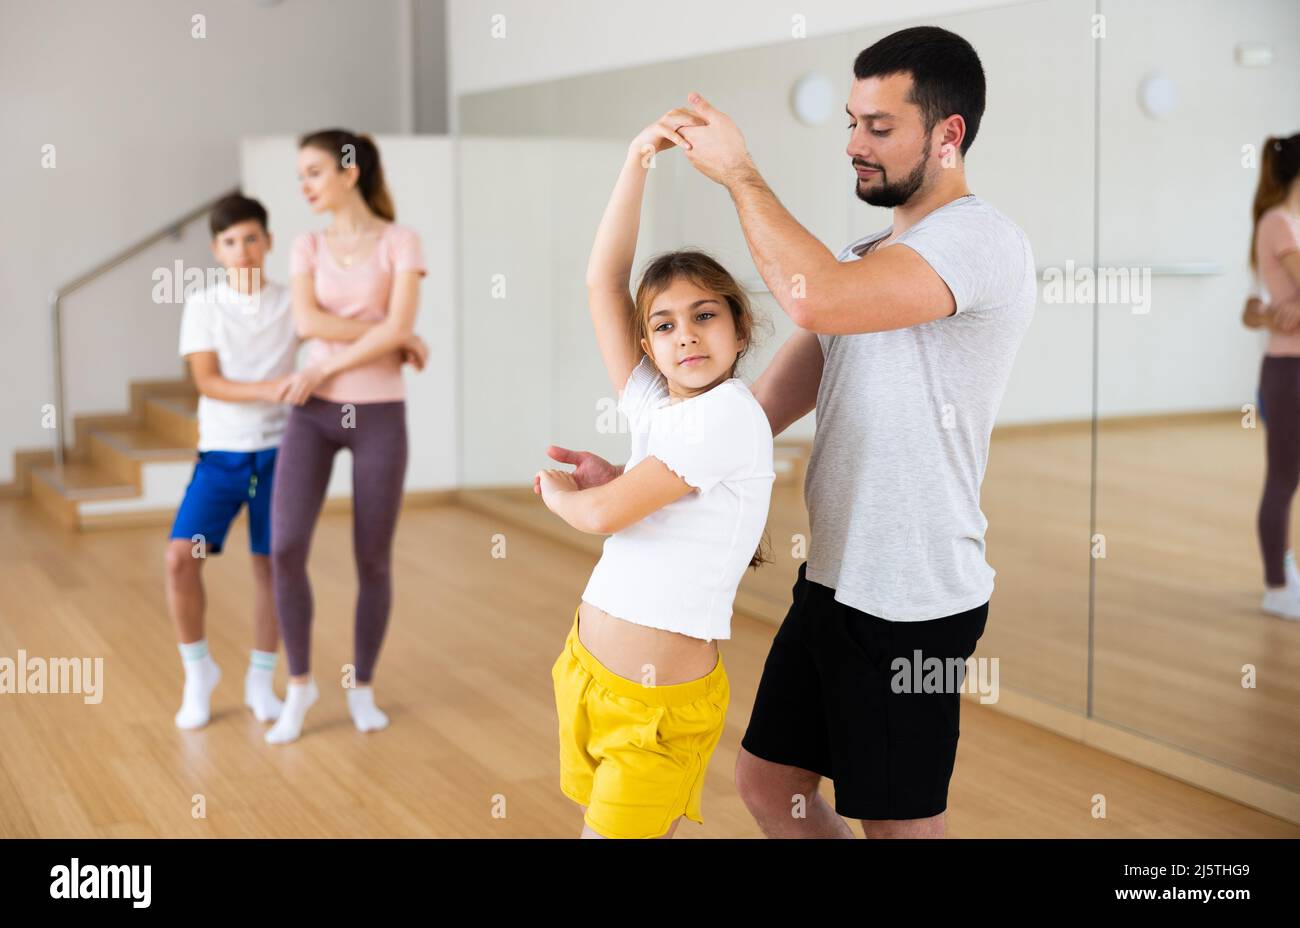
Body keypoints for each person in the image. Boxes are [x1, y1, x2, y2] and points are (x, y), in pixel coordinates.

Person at [535, 109, 775, 838]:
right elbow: (603, 282)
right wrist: (639, 154)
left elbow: (603, 516)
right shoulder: (656, 406)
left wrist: (563, 495)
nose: (686, 336)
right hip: (588, 674)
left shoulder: (727, 414)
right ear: (648, 344)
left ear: (739, 329)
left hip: (657, 707)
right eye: (665, 325)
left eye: (705, 316)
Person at [265, 129, 429, 744]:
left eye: (312, 172)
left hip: (378, 413)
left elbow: (400, 326)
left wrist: (327, 361)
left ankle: (362, 687)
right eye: (300, 175)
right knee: (284, 547)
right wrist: (385, 333)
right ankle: (301, 688)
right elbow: (307, 320)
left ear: (349, 171)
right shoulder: (307, 244)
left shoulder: (400, 242)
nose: (304, 186)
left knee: (371, 559)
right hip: (313, 415)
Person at [166, 193, 296, 730]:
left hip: (282, 455)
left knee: (271, 568)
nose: (241, 250)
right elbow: (207, 383)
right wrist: (277, 388)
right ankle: (199, 675)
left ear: (267, 241)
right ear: (216, 251)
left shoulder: (293, 302)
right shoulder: (203, 304)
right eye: (229, 242)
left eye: (250, 238)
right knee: (179, 559)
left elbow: (338, 338)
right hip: (221, 456)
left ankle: (260, 681)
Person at [1241, 132, 1300, 619]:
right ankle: (1277, 586)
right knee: (1283, 478)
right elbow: (1257, 308)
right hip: (1290, 370)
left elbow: (1259, 306)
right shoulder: (1280, 223)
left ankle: (1285, 570)